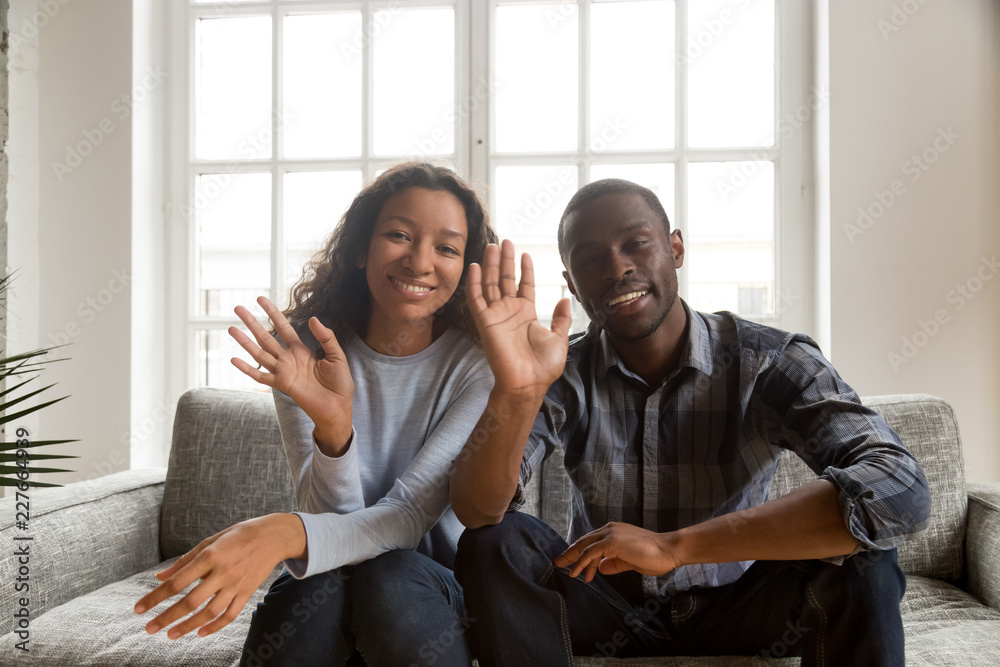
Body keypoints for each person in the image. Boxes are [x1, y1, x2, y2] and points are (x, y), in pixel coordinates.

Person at [449, 178, 931, 666]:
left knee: (866, 554)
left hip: (742, 607)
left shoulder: (767, 360)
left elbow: (899, 487)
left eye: (636, 243)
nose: (617, 267)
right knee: (494, 543)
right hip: (606, 609)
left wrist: (675, 548)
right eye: (592, 259)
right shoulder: (560, 372)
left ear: (675, 248)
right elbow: (477, 511)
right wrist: (516, 391)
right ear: (572, 283)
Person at [134, 162, 498, 666]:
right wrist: (334, 428)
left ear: (466, 270)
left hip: (429, 588)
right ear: (357, 251)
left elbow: (409, 518)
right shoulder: (306, 357)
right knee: (314, 586)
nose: (419, 261)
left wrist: (286, 531)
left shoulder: (477, 370)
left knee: (387, 576)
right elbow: (335, 528)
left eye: (447, 248)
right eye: (398, 235)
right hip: (337, 576)